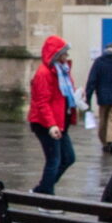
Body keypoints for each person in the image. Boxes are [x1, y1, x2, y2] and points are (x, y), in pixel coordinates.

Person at [29, 36, 78, 195]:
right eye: (63, 53)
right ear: (56, 54)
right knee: (54, 161)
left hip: (61, 122)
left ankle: (42, 189)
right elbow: (42, 101)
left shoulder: (62, 70)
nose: (66, 56)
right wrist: (51, 125)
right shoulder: (44, 73)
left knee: (68, 158)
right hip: (46, 123)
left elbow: (64, 95)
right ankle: (47, 198)